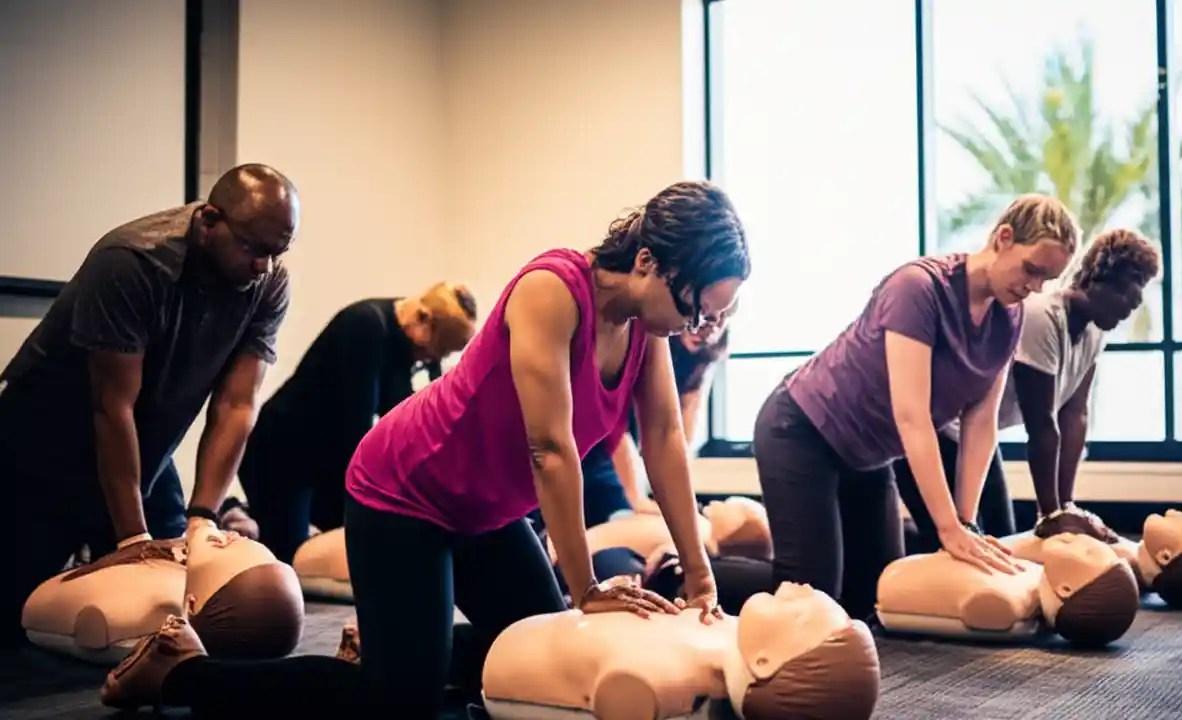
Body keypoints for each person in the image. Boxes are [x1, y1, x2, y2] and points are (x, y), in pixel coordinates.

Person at [100, 179, 752, 717]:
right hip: (404, 491)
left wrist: (700, 577)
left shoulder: (647, 331)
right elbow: (550, 450)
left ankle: (393, 639)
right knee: (398, 700)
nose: (702, 328)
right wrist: (585, 586)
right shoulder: (553, 290)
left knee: (538, 652)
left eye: (716, 317)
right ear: (647, 264)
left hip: (485, 513)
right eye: (698, 309)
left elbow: (664, 440)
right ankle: (182, 673)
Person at [0, 164, 299, 647]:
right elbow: (110, 406)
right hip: (44, 439)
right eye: (252, 248)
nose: (263, 266)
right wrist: (133, 541)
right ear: (208, 222)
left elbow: (237, 404)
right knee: (15, 618)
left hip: (146, 441)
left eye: (276, 252)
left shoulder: (268, 280)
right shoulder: (131, 261)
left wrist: (203, 516)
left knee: (170, 610)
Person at [752, 194, 1079, 623]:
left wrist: (965, 523)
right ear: (1003, 239)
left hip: (868, 455)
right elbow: (912, 416)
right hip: (802, 429)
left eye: (1047, 280)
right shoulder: (918, 288)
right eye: (1032, 270)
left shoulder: (1009, 316)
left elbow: (980, 423)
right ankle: (681, 577)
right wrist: (946, 530)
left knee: (874, 593)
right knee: (810, 595)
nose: (1034, 287)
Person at [895, 228, 1162, 553]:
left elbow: (1075, 415)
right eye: (1127, 294)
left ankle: (911, 537)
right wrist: (1050, 514)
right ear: (1096, 280)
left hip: (977, 435)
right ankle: (899, 542)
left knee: (1001, 541)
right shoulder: (1041, 317)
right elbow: (1042, 425)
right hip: (941, 430)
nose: (1133, 306)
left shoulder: (1095, 334)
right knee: (963, 546)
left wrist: (1066, 506)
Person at [235, 283, 479, 563]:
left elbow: (403, 416)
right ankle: (238, 524)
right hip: (280, 455)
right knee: (288, 556)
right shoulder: (366, 325)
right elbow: (357, 424)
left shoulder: (407, 343)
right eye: (438, 351)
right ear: (424, 320)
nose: (433, 360)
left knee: (355, 538)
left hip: (321, 458)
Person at [566, 322, 732, 527]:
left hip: (627, 442)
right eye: (701, 318)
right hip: (599, 442)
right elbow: (616, 428)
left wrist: (678, 505)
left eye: (718, 321)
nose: (704, 329)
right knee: (618, 507)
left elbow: (681, 435)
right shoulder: (649, 339)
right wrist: (635, 499)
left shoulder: (704, 358)